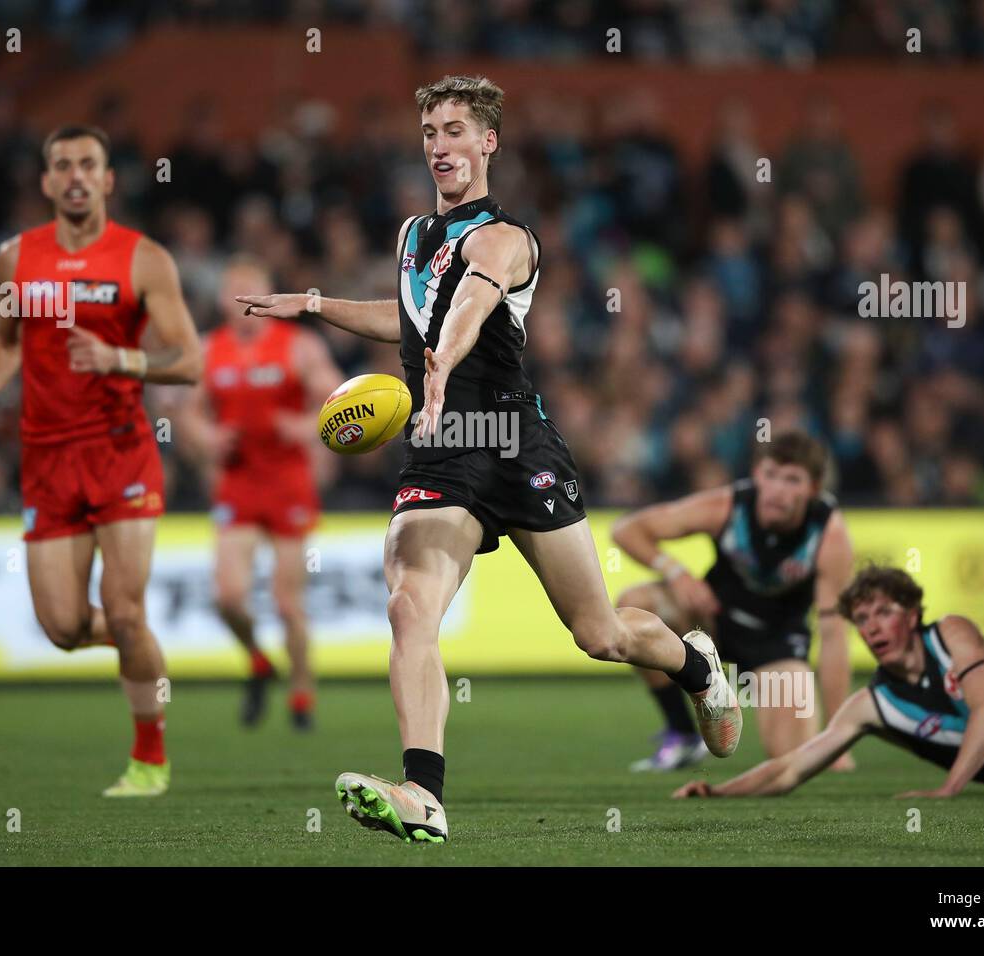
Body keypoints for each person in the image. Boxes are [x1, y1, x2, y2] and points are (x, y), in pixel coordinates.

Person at [237, 75, 742, 844]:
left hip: (514, 443)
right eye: (431, 131)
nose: (440, 145)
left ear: (488, 142)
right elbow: (408, 317)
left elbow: (469, 304)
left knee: (599, 633)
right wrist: (314, 305)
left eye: (455, 131)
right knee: (409, 605)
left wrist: (442, 359)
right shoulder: (413, 235)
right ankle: (423, 794)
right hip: (441, 447)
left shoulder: (504, 239)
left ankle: (695, 666)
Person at [0, 125, 202, 797]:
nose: (74, 176)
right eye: (61, 165)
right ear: (45, 181)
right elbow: (7, 342)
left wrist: (122, 358)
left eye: (87, 164)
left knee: (123, 610)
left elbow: (190, 360)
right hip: (46, 459)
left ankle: (149, 757)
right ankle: (144, 650)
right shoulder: (14, 258)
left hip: (120, 452)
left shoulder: (143, 259)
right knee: (62, 628)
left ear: (108, 179)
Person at [673, 565, 984, 800]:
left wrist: (947, 790)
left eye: (883, 612)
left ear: (912, 613)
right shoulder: (874, 703)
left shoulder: (952, 634)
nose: (872, 628)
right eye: (862, 619)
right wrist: (717, 792)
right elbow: (791, 768)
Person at [611, 431, 854, 771]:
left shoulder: (829, 534)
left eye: (792, 480)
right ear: (756, 474)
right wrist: (677, 572)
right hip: (712, 625)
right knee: (635, 603)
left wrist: (838, 737)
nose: (777, 489)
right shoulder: (728, 504)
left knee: (794, 759)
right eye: (770, 475)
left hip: (778, 647)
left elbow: (833, 636)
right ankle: (682, 733)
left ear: (814, 488)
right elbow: (626, 529)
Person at [183, 256, 341, 728]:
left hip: (287, 483)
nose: (245, 304)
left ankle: (301, 696)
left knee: (286, 602)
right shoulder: (207, 349)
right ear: (223, 301)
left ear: (270, 299)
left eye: (253, 293)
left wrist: (306, 424)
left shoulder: (300, 347)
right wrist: (206, 438)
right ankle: (257, 659)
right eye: (236, 294)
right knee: (228, 597)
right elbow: (187, 414)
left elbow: (339, 399)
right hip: (238, 482)